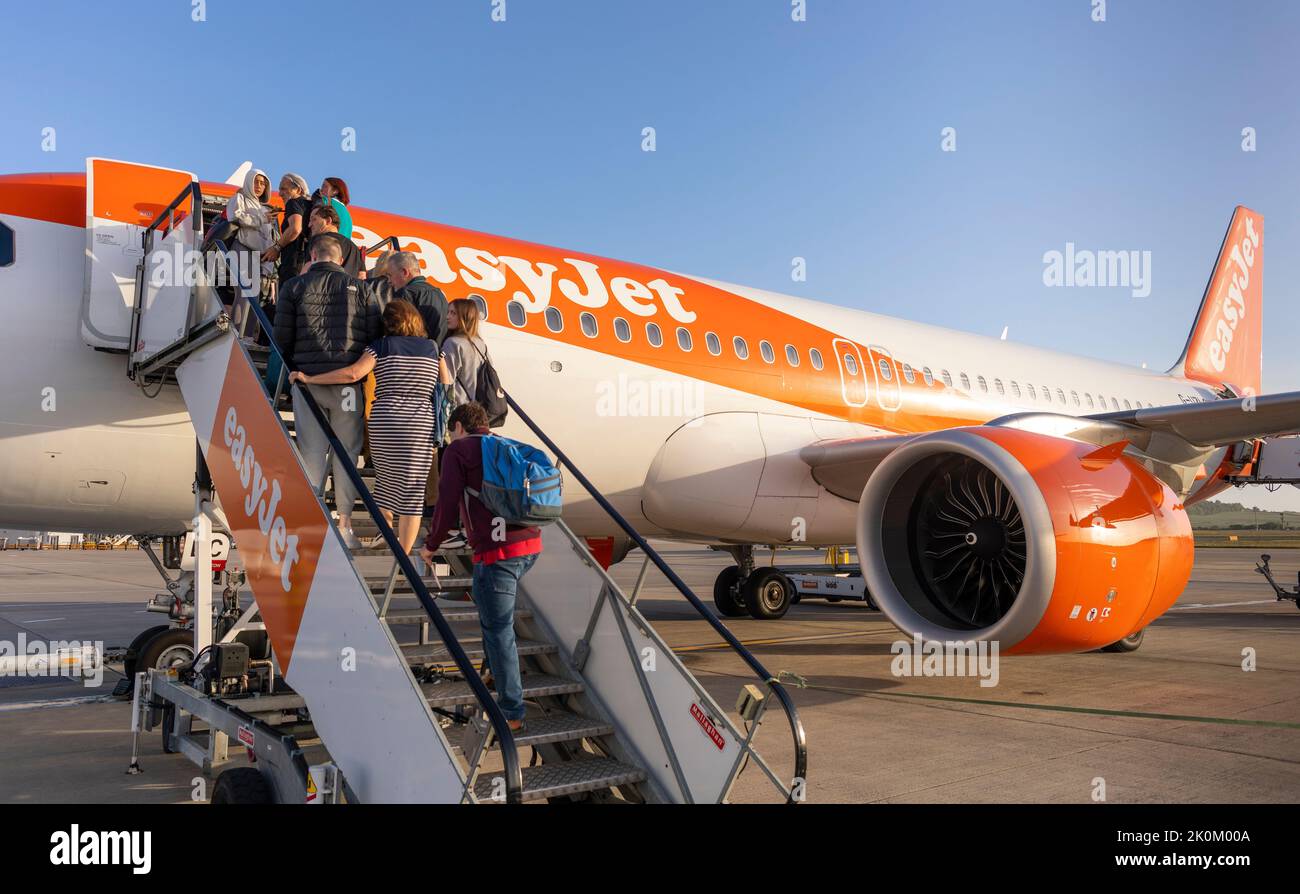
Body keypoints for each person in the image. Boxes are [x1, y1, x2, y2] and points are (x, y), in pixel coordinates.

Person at [289, 300, 448, 556]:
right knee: (413, 492)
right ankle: (403, 556)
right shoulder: (432, 348)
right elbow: (446, 386)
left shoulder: (381, 346)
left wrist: (310, 379)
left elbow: (353, 374)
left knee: (384, 484)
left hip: (386, 420)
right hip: (420, 423)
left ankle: (385, 535)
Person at [419, 401, 542, 733]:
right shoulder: (503, 444)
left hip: (497, 554)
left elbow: (445, 503)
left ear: (459, 427)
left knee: (499, 630)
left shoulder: (460, 452)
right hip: (530, 545)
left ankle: (511, 711)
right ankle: (493, 674)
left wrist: (431, 546)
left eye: (450, 430)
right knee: (493, 620)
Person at [274, 234, 381, 548]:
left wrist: (295, 370)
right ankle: (345, 524)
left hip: (307, 380)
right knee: (346, 452)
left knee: (310, 450)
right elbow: (374, 335)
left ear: (313, 255)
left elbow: (281, 337)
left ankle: (312, 522)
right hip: (347, 383)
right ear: (339, 259)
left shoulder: (293, 287)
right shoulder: (362, 289)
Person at [223, 168, 274, 306]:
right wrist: (260, 219)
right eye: (255, 181)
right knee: (244, 295)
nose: (259, 186)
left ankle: (247, 328)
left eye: (262, 183)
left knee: (253, 299)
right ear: (248, 182)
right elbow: (234, 216)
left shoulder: (264, 210)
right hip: (242, 249)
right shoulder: (239, 198)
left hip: (259, 257)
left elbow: (267, 239)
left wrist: (268, 266)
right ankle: (239, 327)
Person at [387, 251, 448, 345]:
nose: (389, 281)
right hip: (437, 355)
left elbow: (398, 332)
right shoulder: (439, 294)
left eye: (390, 275)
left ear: (404, 272)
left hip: (413, 353)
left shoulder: (405, 293)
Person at [440, 297, 489, 407]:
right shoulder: (481, 344)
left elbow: (446, 381)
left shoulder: (452, 343)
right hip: (477, 410)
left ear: (465, 317)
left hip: (458, 409)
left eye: (453, 313)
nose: (447, 317)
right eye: (448, 312)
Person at [265, 173, 312, 288]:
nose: (280, 193)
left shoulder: (293, 202)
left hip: (293, 263)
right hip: (306, 262)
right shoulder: (309, 206)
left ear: (298, 190)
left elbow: (295, 228)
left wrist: (276, 248)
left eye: (284, 189)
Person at [307, 203, 364, 278]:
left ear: (328, 221)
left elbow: (307, 268)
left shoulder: (319, 241)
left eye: (314, 219)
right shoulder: (355, 249)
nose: (309, 225)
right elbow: (362, 276)